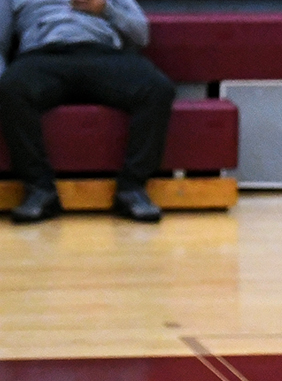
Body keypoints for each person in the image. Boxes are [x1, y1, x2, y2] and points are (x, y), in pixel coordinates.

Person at [0, 0, 173, 222]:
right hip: (43, 56)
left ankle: (132, 188)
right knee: (10, 89)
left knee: (157, 88)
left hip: (102, 54)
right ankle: (39, 188)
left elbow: (141, 35)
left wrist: (106, 10)